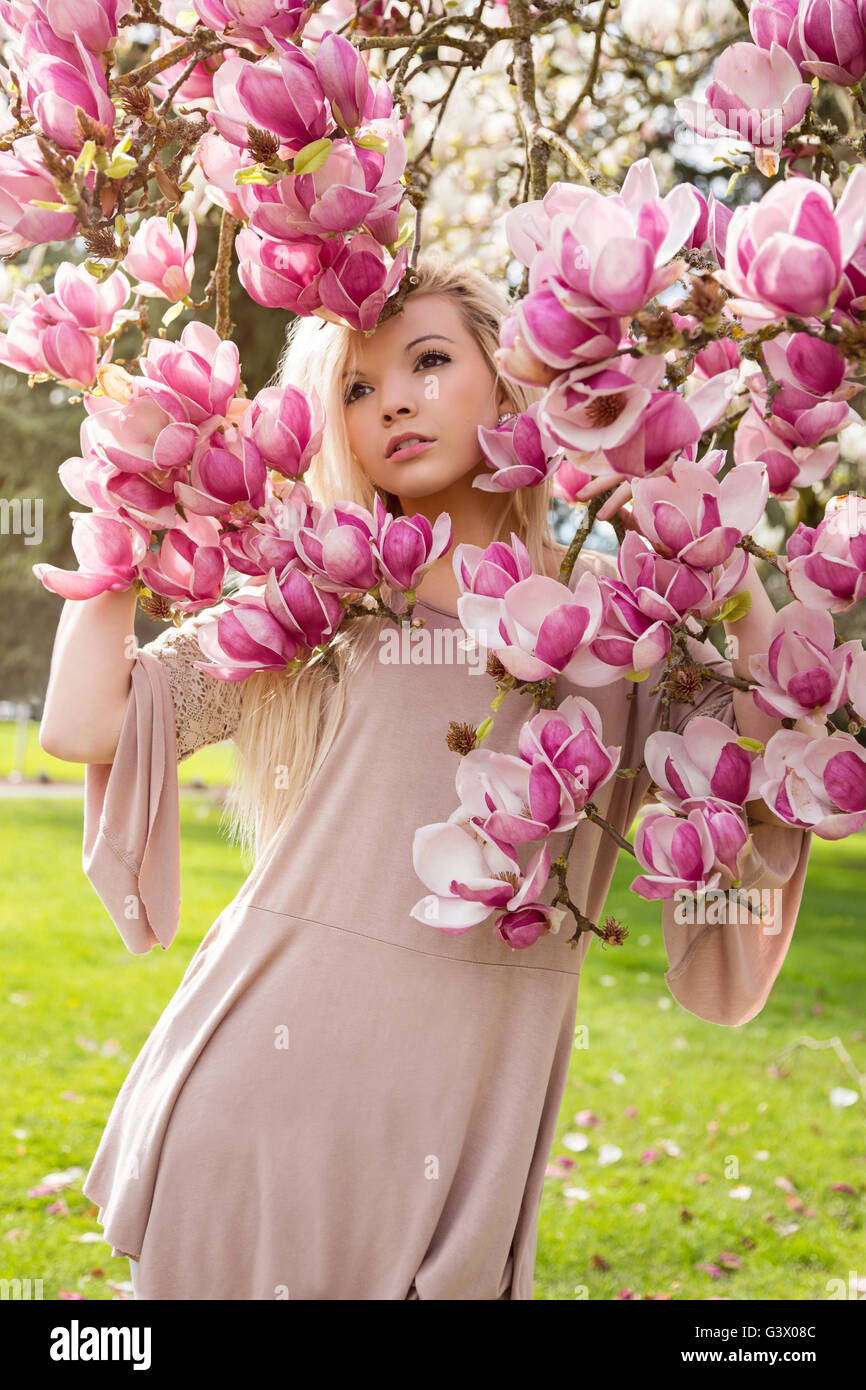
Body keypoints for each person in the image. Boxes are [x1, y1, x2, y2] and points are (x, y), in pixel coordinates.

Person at [38, 249, 812, 1300]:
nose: (392, 400)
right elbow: (88, 724)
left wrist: (714, 550)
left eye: (429, 362)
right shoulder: (326, 599)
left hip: (462, 1123)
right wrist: (133, 514)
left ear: (508, 378)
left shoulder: (630, 615)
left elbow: (774, 757)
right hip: (254, 1101)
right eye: (357, 388)